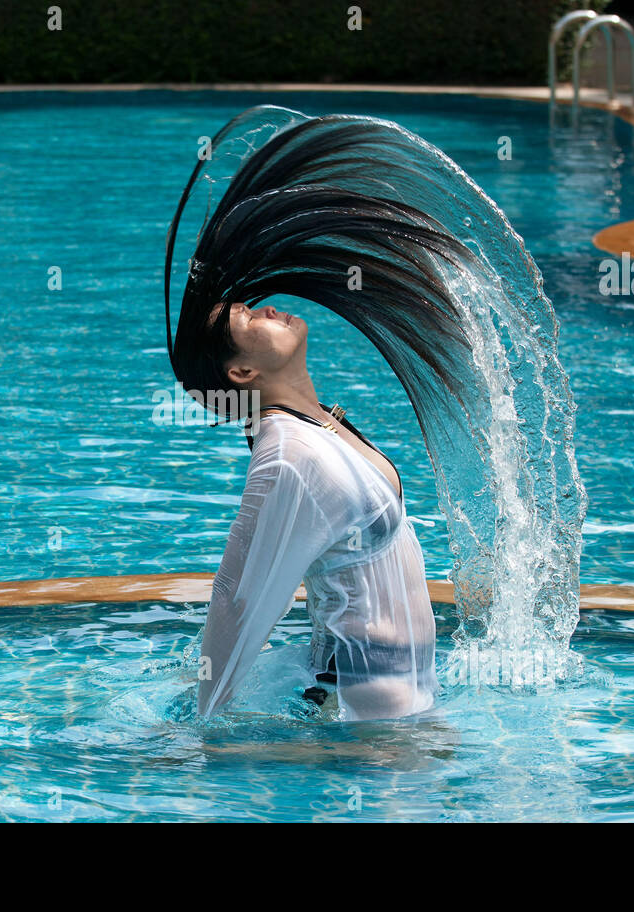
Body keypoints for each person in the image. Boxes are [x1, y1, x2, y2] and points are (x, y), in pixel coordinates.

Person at [164, 107, 494, 721]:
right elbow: (237, 598)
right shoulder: (291, 457)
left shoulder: (321, 424)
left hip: (387, 699)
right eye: (244, 318)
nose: (264, 310)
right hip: (371, 716)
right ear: (241, 373)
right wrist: (200, 731)